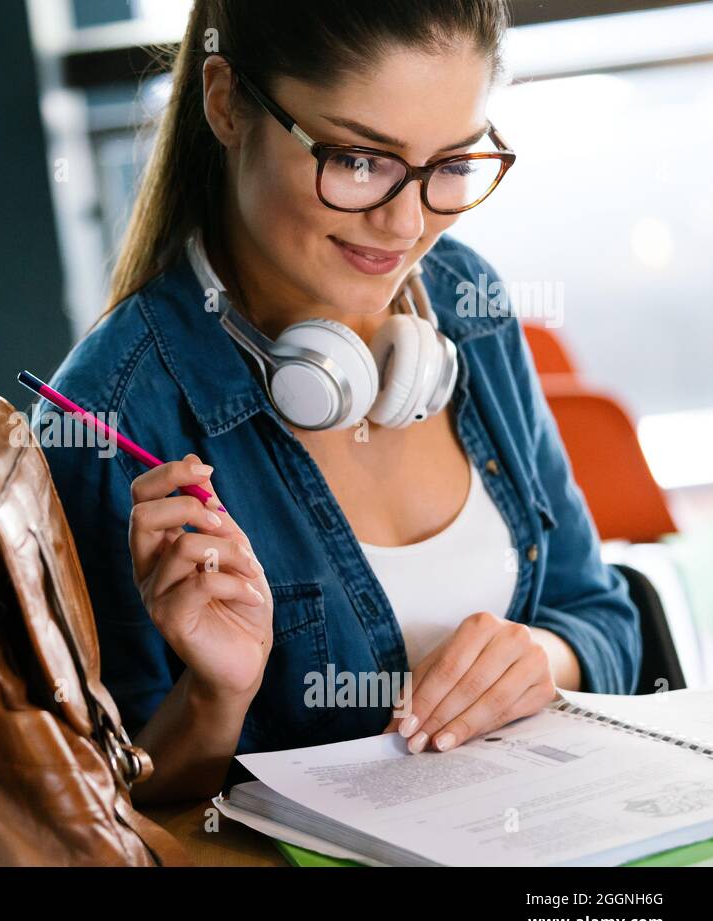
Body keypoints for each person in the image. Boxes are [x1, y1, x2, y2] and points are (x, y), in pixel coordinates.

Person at [39, 0, 641, 804]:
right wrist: (214, 700)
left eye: (452, 165)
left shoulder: (466, 296)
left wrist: (541, 657)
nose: (405, 222)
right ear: (226, 103)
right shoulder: (108, 420)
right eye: (360, 159)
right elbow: (113, 817)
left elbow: (601, 612)